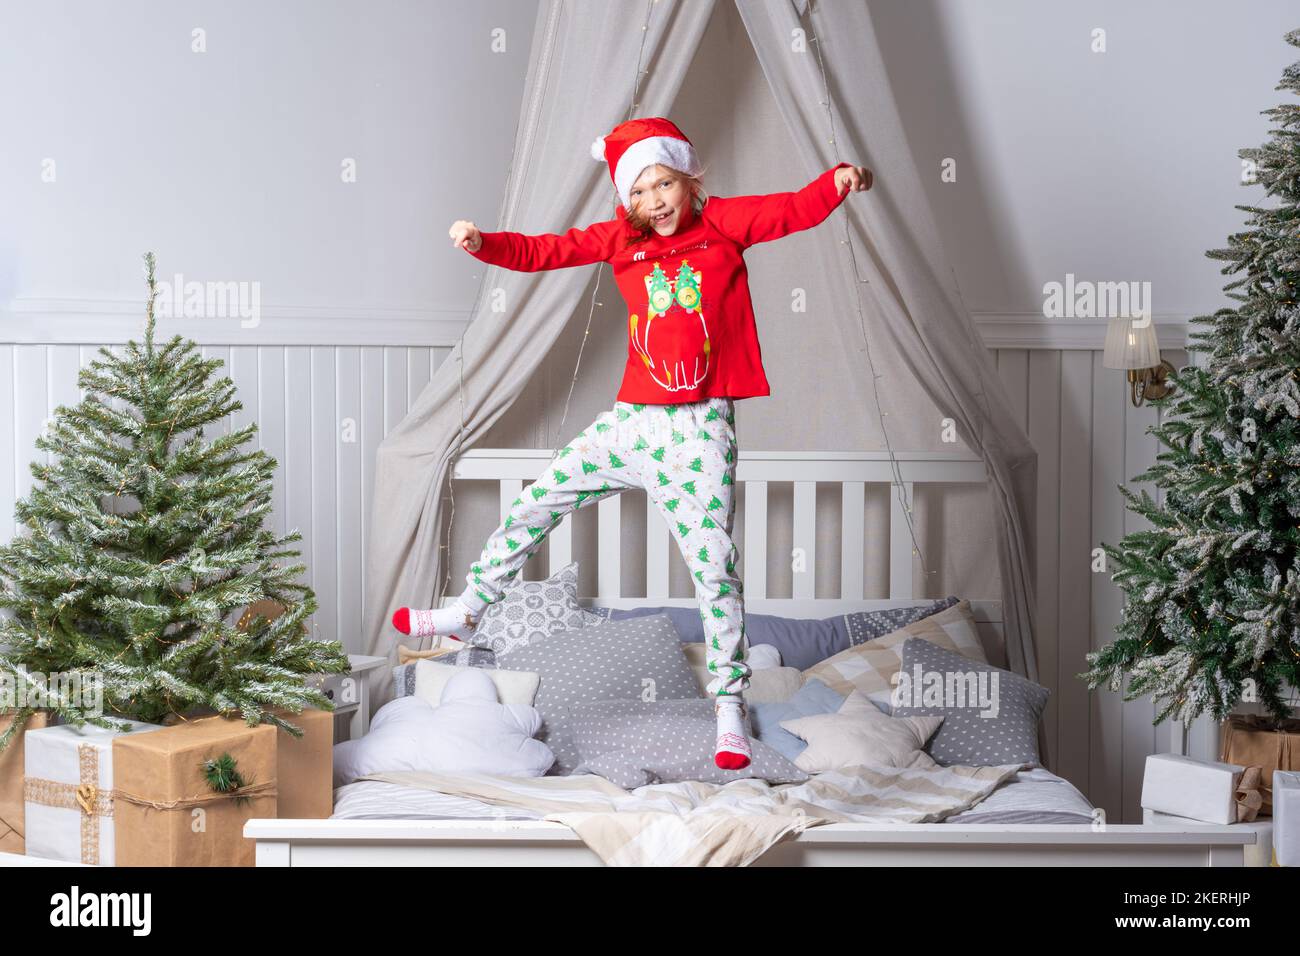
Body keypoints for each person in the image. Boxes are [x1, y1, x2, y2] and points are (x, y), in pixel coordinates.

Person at [393, 116, 873, 770]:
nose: (657, 201)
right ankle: (469, 609)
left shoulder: (725, 224)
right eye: (642, 190)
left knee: (713, 562)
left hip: (700, 424)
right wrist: (485, 244)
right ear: (627, 199)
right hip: (633, 422)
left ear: (689, 179)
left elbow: (788, 211)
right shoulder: (621, 238)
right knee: (536, 501)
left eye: (666, 184)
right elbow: (546, 251)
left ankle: (729, 708)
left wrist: (836, 184)